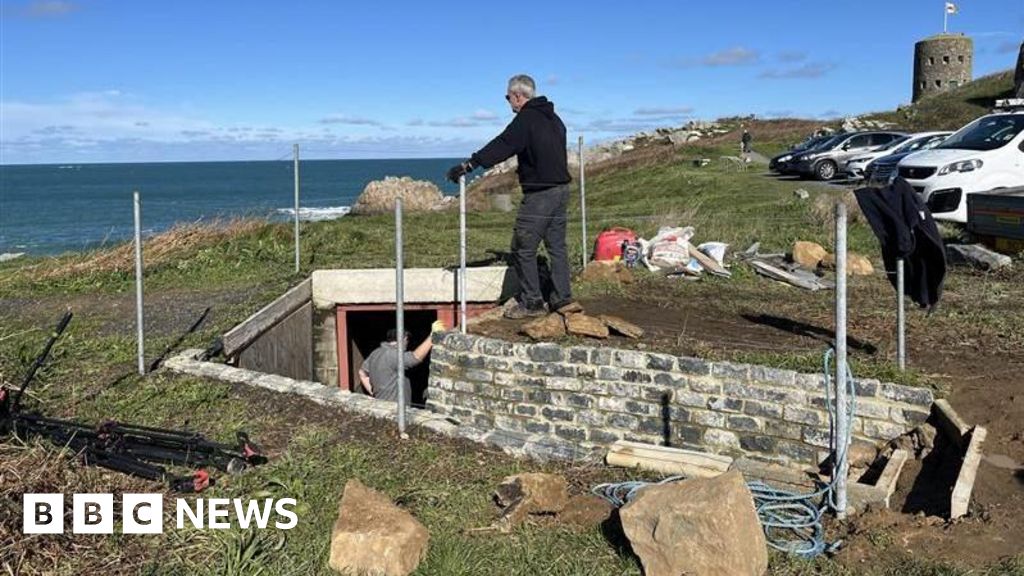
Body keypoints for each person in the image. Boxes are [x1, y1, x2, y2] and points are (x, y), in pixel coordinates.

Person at [446, 74, 573, 319]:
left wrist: (469, 165)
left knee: (523, 247)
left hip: (540, 193)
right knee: (557, 247)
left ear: (517, 96)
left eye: (508, 97)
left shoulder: (526, 119)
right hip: (561, 190)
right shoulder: (555, 119)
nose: (508, 102)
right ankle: (563, 298)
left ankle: (533, 302)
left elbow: (503, 144)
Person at [358, 320, 446, 405]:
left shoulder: (375, 353)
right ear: (404, 339)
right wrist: (432, 337)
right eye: (407, 341)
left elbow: (362, 373)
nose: (407, 345)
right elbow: (415, 358)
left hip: (381, 405)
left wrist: (372, 392)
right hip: (395, 410)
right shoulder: (393, 355)